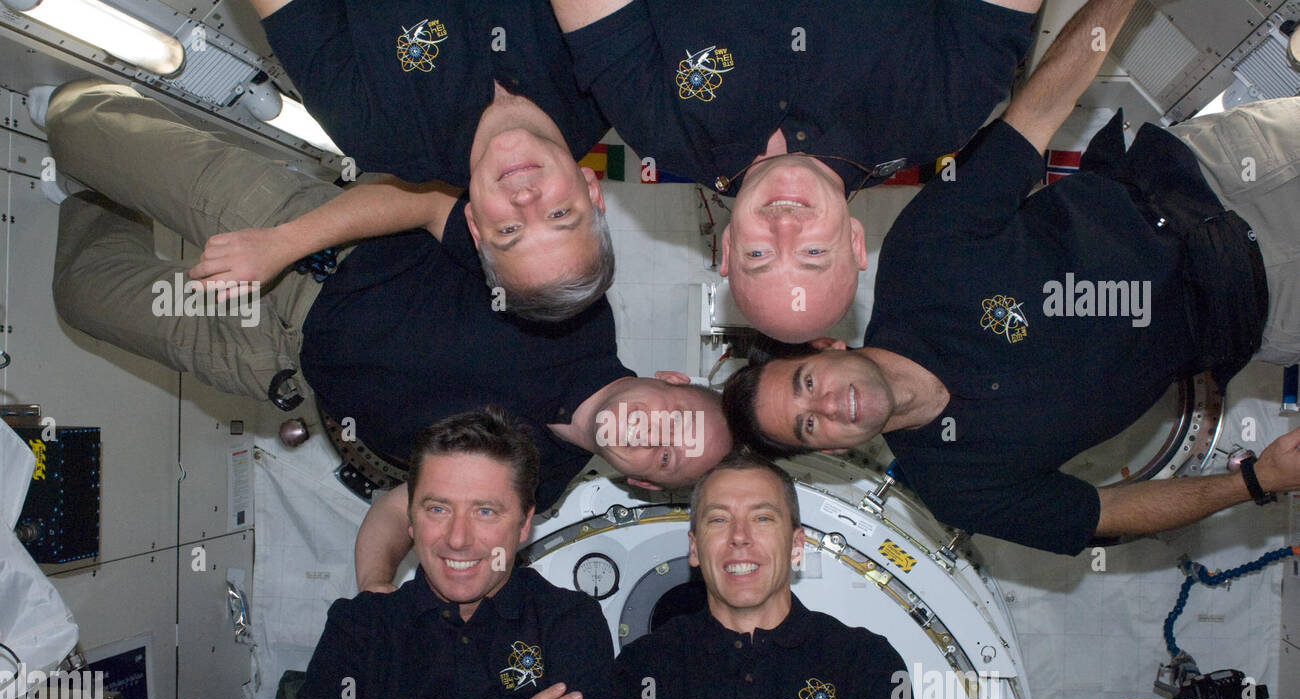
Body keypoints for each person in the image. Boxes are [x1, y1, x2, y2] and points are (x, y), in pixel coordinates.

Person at [722, 0, 1300, 555]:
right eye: (807, 428)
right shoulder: (956, 486)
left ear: (825, 346)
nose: (827, 407)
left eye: (806, 385)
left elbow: (1036, 112)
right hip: (1266, 313)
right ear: (829, 450)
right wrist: (1256, 482)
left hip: (1224, 181)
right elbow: (1106, 514)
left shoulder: (920, 257)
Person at [43, 81, 731, 511]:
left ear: (641, 481)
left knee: (80, 292)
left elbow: (414, 506)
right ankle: (98, 162)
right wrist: (282, 243)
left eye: (667, 455)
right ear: (671, 380)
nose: (652, 434)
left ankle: (95, 201)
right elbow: (432, 205)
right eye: (676, 417)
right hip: (310, 254)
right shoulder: (568, 309)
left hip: (274, 363)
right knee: (73, 123)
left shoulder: (536, 488)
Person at [549, 0, 1041, 341]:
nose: (785, 225)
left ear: (727, 247)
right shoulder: (938, 117)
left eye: (760, 254)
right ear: (852, 241)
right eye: (812, 252)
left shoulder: (659, 133)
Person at [287, 407, 618, 699]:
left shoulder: (569, 620)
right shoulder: (361, 627)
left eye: (485, 511)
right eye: (438, 508)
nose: (458, 539)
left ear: (524, 522)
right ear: (409, 518)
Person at [602, 453, 920, 699]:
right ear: (695, 549)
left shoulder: (866, 663)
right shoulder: (645, 667)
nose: (739, 537)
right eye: (718, 520)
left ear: (797, 545)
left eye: (763, 518)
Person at [245, 0, 614, 320]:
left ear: (472, 224)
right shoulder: (608, 80)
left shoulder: (376, 134)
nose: (525, 201)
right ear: (592, 192)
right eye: (559, 215)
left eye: (508, 231)